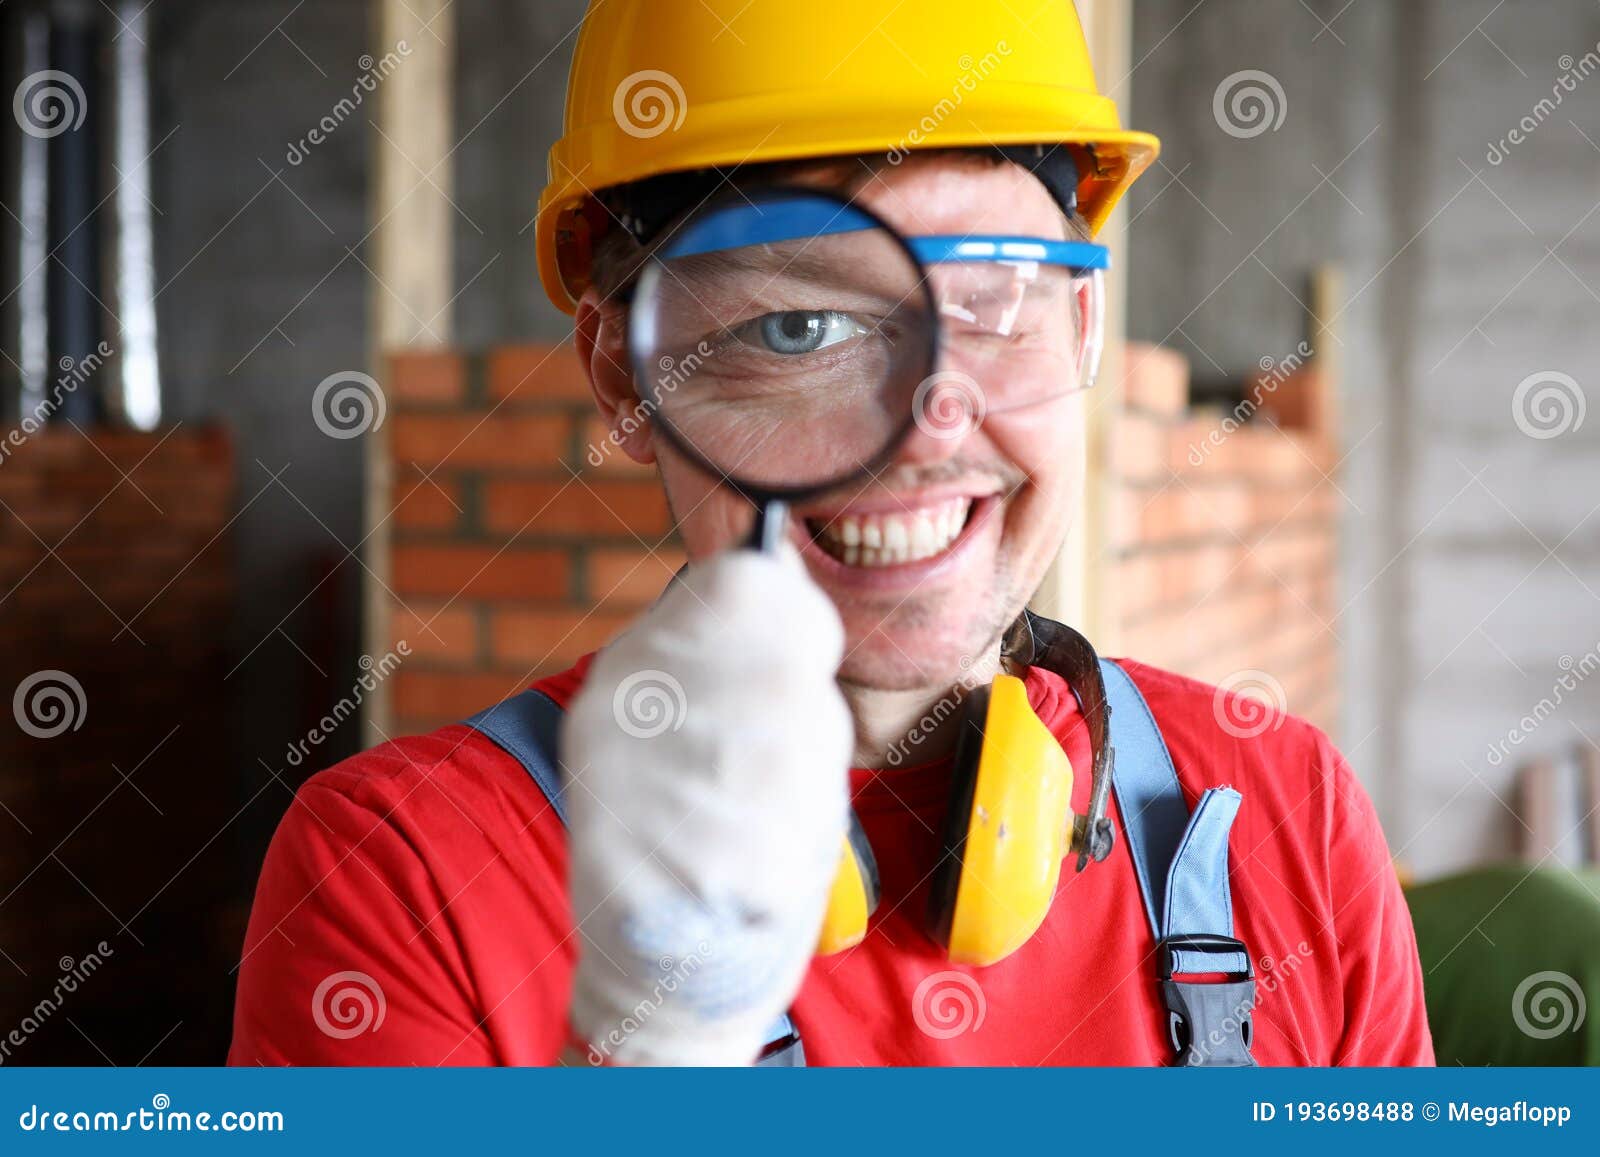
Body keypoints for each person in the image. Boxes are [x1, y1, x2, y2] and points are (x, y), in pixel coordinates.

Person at [229, 0, 1434, 1067]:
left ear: (1081, 327)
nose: (922, 425)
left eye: (993, 301)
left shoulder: (1285, 815)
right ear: (623, 378)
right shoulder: (406, 875)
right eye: (800, 326)